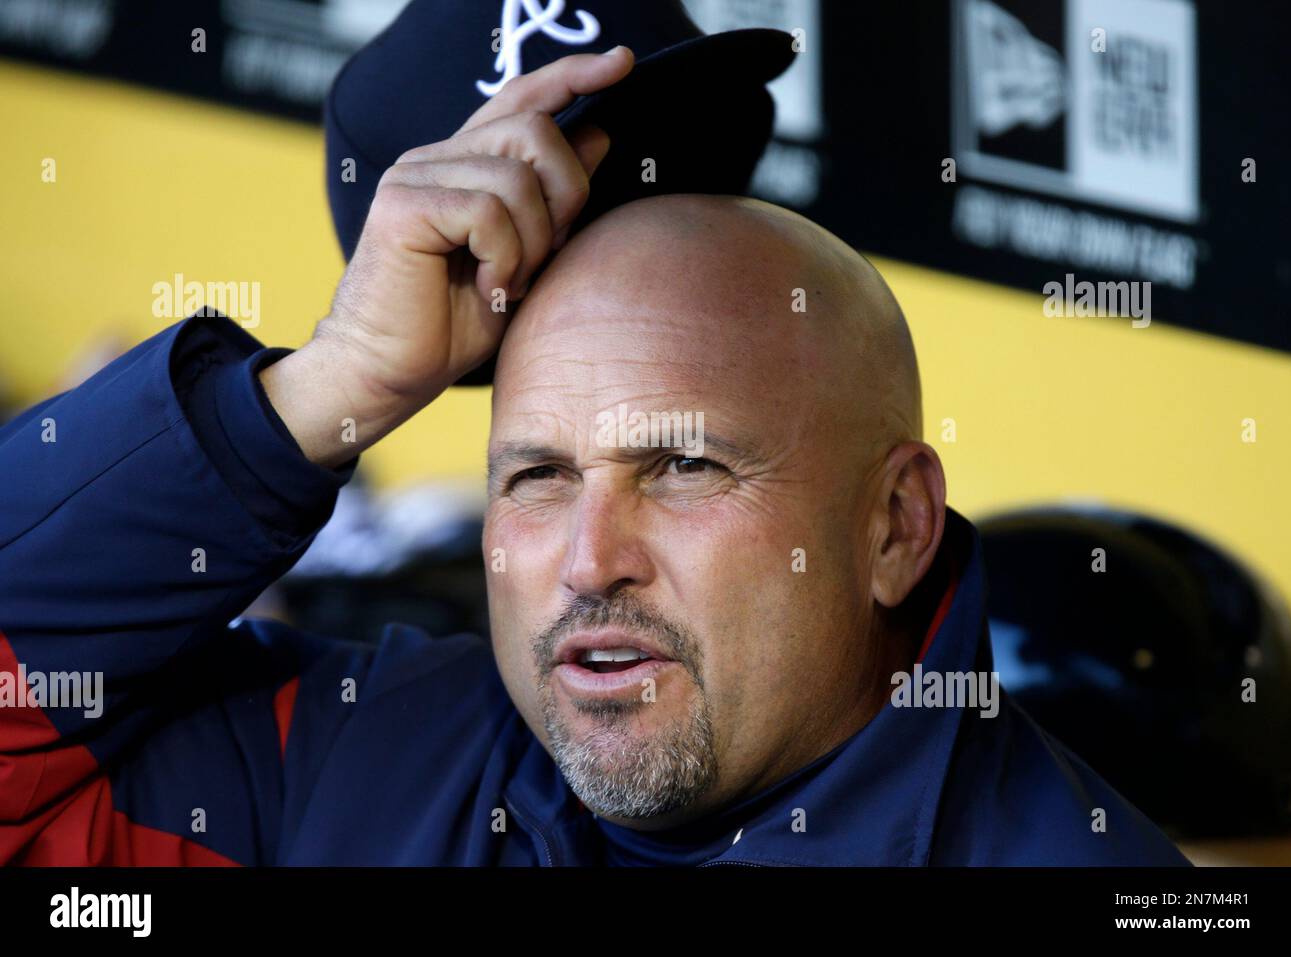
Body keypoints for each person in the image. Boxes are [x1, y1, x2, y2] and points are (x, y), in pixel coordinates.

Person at [0, 50, 1187, 866]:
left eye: (683, 468)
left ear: (892, 528)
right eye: (536, 476)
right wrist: (327, 387)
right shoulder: (345, 758)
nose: (588, 561)